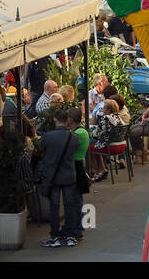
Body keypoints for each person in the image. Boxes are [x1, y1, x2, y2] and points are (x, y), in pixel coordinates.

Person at [39, 108, 80, 247]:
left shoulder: (47, 137)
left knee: (54, 207)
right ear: (67, 120)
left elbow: (42, 151)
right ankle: (70, 235)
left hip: (53, 176)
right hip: (68, 175)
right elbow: (75, 151)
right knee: (70, 205)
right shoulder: (74, 137)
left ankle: (55, 235)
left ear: (55, 119)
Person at [88, 98, 128, 181]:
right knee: (95, 143)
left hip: (111, 147)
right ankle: (102, 168)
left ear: (108, 109)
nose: (102, 109)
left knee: (89, 145)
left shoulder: (106, 118)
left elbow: (95, 134)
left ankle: (94, 171)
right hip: (122, 145)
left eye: (104, 108)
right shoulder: (119, 117)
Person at [68, 107, 90, 240]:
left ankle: (77, 228)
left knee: (76, 198)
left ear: (70, 119)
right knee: (77, 198)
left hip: (76, 166)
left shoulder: (78, 133)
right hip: (78, 164)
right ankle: (77, 226)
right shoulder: (80, 131)